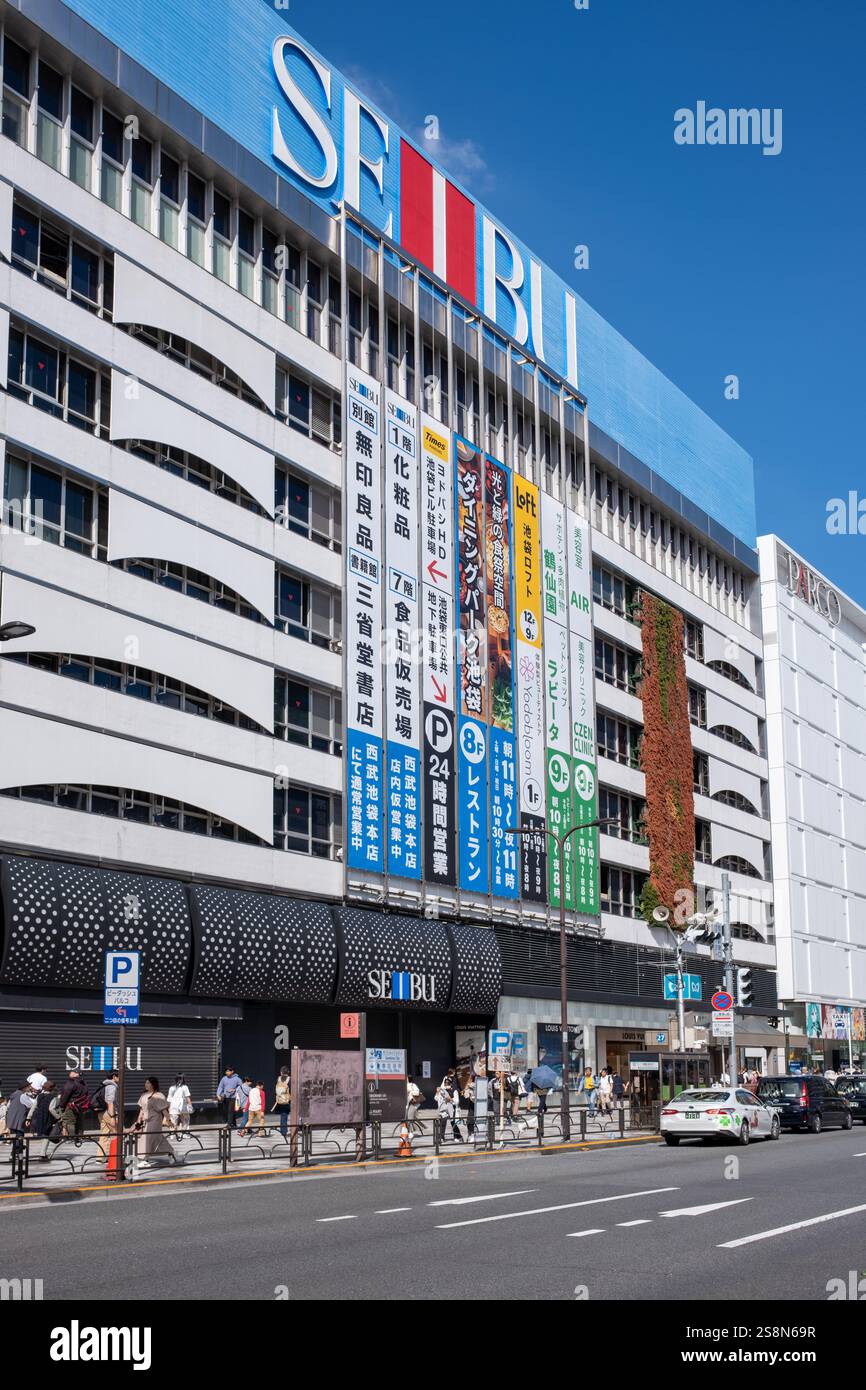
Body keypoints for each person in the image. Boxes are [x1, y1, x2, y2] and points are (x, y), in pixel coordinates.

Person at [133, 1077, 172, 1168]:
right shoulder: (143, 1095)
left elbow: (164, 1110)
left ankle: (144, 1159)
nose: (146, 1084)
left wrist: (169, 1120)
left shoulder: (159, 1095)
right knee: (157, 1139)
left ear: (153, 1084)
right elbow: (142, 1109)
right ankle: (171, 1153)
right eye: (145, 1083)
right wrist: (139, 1119)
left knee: (147, 1138)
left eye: (148, 1083)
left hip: (155, 1120)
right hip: (145, 1121)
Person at [31, 1081, 63, 1159]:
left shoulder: (39, 1096)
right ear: (52, 1088)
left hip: (39, 1118)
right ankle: (42, 1154)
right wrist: (58, 1117)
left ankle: (43, 1153)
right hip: (48, 1119)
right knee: (47, 1135)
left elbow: (33, 1107)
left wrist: (28, 1118)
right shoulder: (52, 1097)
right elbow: (51, 1109)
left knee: (46, 1135)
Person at [92, 1071, 119, 1159]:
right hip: (109, 1113)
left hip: (101, 1112)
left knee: (104, 1135)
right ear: (114, 1077)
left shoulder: (104, 1085)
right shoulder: (112, 1087)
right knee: (118, 1134)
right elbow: (110, 1102)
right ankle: (116, 1157)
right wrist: (113, 1117)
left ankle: (100, 1158)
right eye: (119, 1076)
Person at [59, 1071, 89, 1146]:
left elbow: (65, 1096)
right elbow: (86, 1094)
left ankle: (73, 1137)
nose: (70, 1073)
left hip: (70, 1106)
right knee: (79, 1122)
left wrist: (62, 1106)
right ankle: (80, 1137)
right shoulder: (83, 1083)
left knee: (70, 1122)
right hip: (81, 1106)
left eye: (73, 1072)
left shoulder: (70, 1083)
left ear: (76, 1074)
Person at [436, 1070, 463, 1142]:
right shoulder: (443, 1090)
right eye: (445, 1084)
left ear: (451, 1084)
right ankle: (441, 1137)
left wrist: (450, 1099)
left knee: (453, 1122)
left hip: (452, 1108)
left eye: (447, 1084)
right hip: (444, 1108)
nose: (446, 1085)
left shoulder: (454, 1091)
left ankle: (458, 1136)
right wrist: (437, 1093)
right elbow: (436, 1098)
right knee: (443, 1122)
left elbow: (457, 1101)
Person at [274, 1067, 291, 1141]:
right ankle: (293, 1129)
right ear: (288, 1072)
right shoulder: (289, 1079)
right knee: (294, 1115)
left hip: (280, 1100)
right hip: (288, 1100)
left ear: (281, 1072)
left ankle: (283, 1131)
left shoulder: (278, 1079)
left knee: (283, 1115)